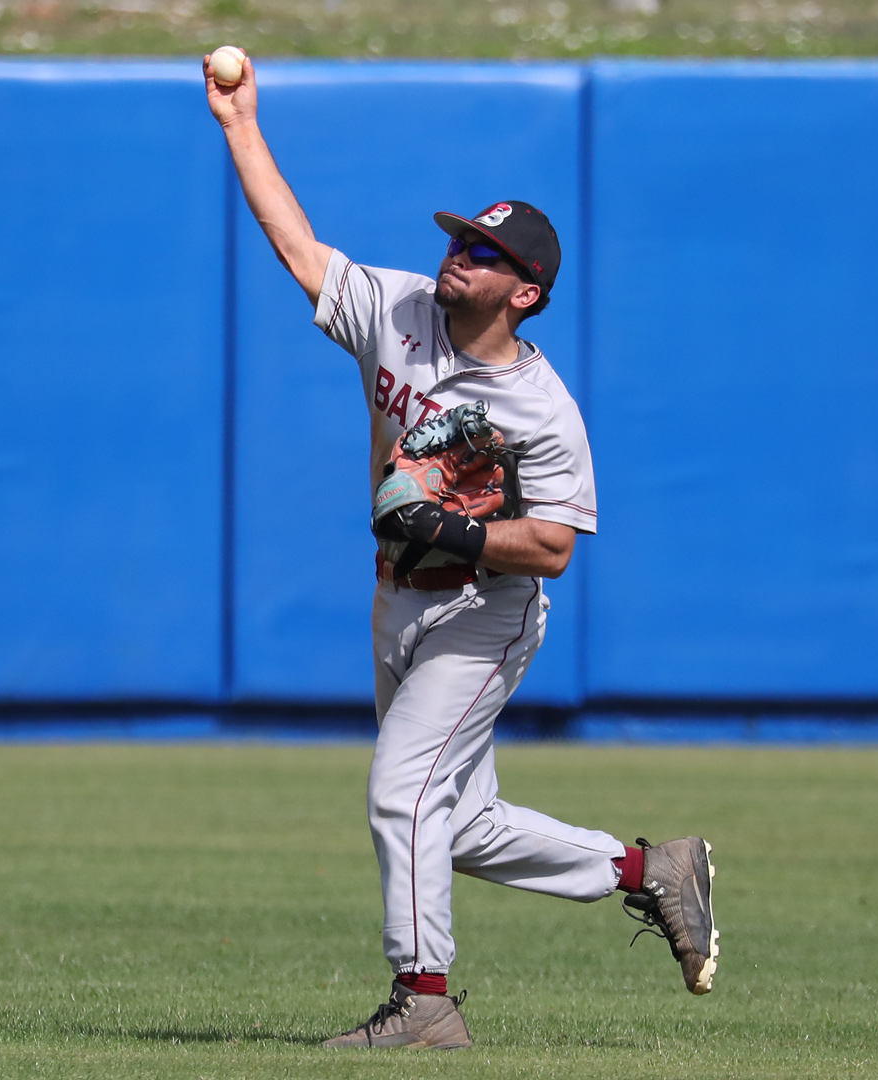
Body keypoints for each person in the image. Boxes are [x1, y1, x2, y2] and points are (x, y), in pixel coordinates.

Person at [203, 53, 718, 1050]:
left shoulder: (542, 410)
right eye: (460, 241)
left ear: (525, 293)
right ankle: (649, 873)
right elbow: (298, 247)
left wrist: (451, 528)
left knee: (402, 794)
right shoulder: (397, 313)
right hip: (398, 599)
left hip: (485, 616)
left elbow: (557, 547)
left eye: (484, 254)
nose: (460, 258)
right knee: (460, 823)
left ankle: (423, 1003)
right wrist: (238, 125)